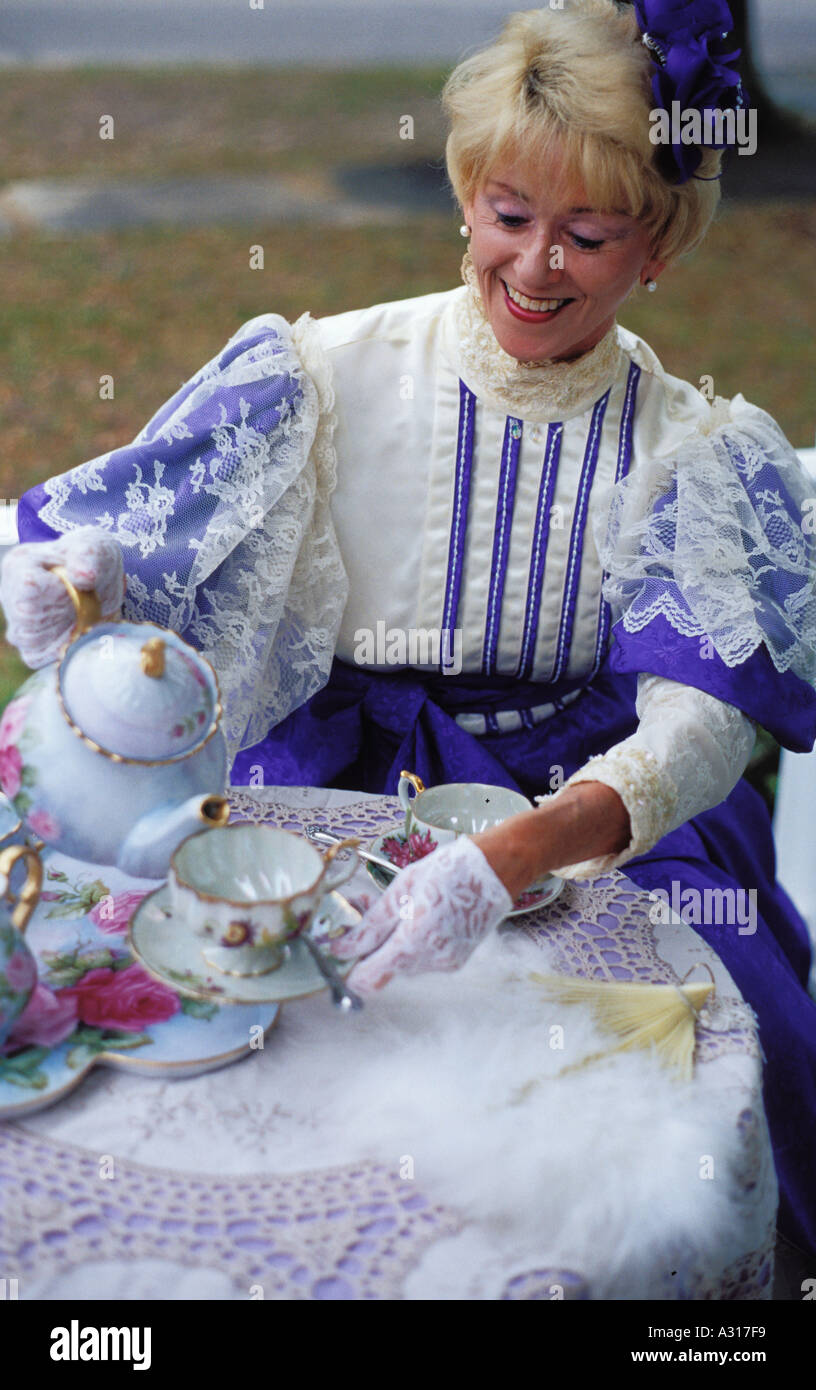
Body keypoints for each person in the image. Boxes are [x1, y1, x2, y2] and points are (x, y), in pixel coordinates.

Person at [3, 0, 816, 1256]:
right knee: (223, 994)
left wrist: (512, 859)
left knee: (727, 1019)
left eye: (588, 234)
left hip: (589, 808)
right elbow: (157, 549)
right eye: (509, 217)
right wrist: (87, 583)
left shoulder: (691, 450)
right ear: (466, 199)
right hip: (335, 776)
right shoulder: (325, 372)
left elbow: (702, 730)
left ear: (658, 246)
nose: (537, 267)